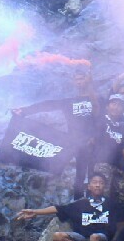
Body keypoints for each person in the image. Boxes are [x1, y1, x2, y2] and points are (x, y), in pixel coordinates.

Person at [14, 64, 101, 194]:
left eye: (81, 78)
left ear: (86, 79)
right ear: (73, 82)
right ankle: (78, 204)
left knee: (92, 173)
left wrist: (94, 136)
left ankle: (94, 202)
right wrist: (25, 111)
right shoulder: (69, 101)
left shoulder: (96, 98)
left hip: (92, 142)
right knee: (80, 174)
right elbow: (48, 105)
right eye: (77, 79)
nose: (79, 82)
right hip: (75, 142)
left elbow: (99, 117)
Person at [92, 95, 124, 200]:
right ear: (107, 106)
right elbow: (95, 104)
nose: (116, 107)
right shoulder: (100, 120)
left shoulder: (123, 127)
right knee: (102, 194)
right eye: (113, 104)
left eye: (120, 105)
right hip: (103, 163)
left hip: (119, 166)